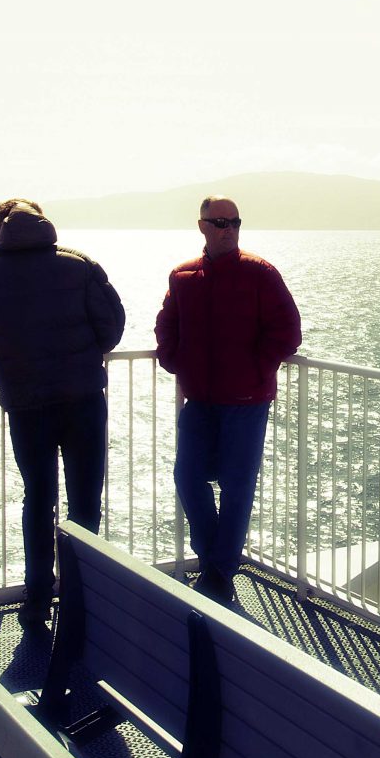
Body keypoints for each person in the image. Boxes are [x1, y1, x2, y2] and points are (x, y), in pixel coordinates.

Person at [0, 199, 125, 629]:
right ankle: (84, 595)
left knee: (38, 498)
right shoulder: (80, 265)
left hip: (26, 404)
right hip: (83, 398)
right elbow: (112, 327)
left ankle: (37, 598)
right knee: (85, 500)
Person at [153, 195, 300, 604]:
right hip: (200, 400)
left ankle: (219, 571)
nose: (228, 228)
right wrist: (176, 361)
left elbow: (287, 332)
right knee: (188, 477)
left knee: (236, 485)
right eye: (219, 222)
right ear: (201, 225)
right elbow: (167, 326)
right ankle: (214, 558)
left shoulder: (261, 274)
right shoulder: (183, 277)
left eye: (234, 221)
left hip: (247, 400)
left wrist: (255, 369)